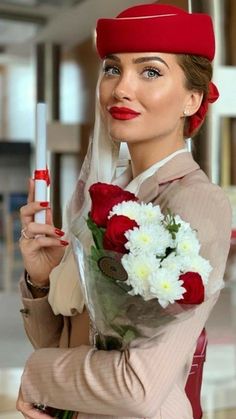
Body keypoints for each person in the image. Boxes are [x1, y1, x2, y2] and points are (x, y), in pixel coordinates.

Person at [17, 4, 232, 419]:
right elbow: (68, 344)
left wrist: (35, 376)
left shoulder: (193, 201)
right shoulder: (103, 194)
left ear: (192, 98)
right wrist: (43, 280)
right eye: (113, 69)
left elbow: (138, 386)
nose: (120, 88)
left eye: (150, 71)